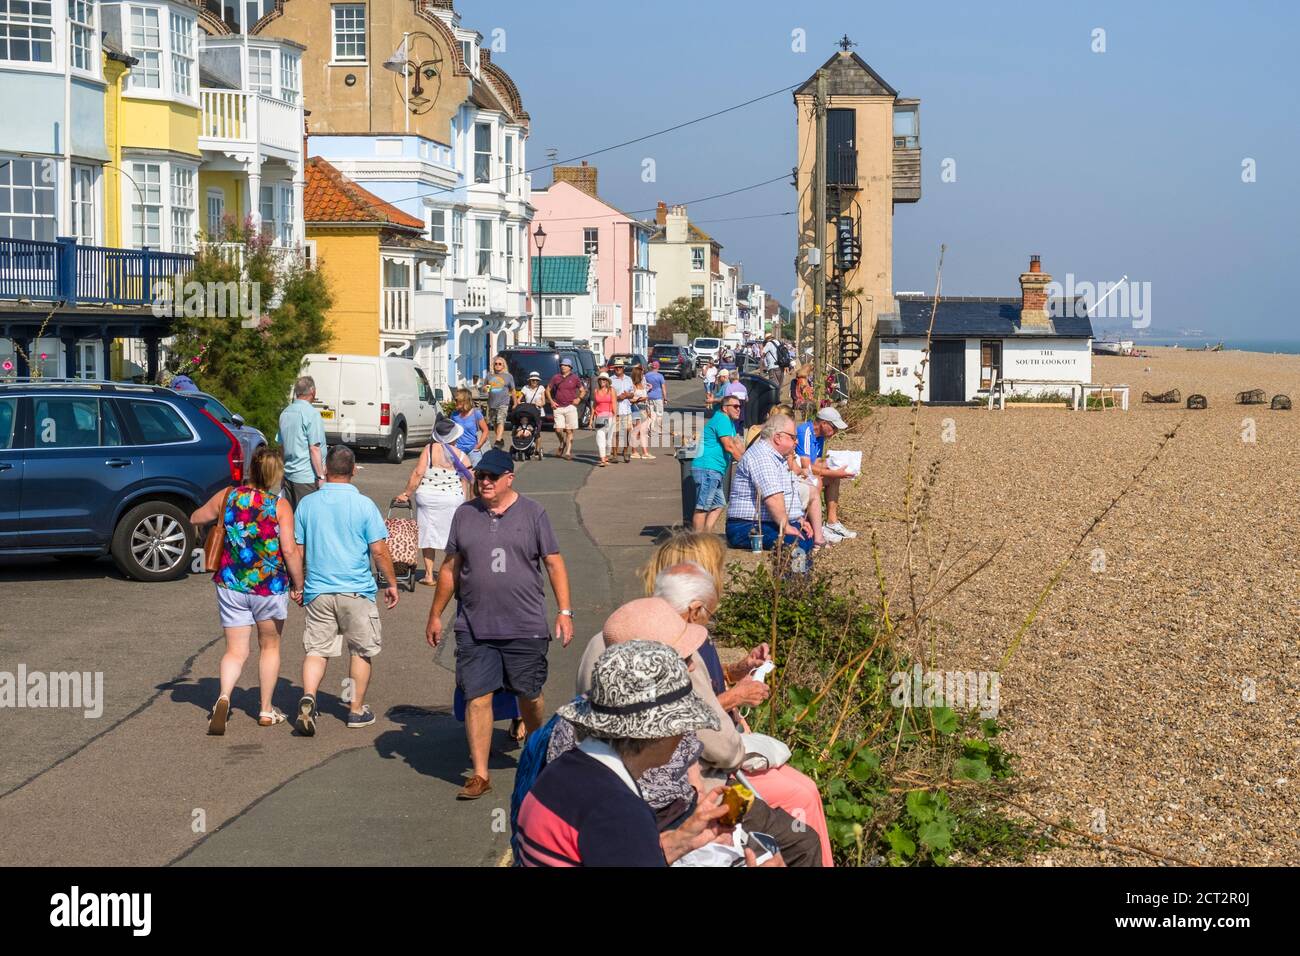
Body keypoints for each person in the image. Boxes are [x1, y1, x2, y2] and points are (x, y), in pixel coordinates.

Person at [517, 640, 770, 867]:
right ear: (658, 734)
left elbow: (611, 852)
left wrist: (680, 841)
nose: (686, 739)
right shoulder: (618, 809)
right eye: (683, 727)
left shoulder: (563, 770)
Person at [425, 449, 574, 800]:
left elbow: (553, 564)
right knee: (477, 696)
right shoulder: (464, 514)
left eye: (493, 477)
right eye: (481, 476)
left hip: (525, 625)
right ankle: (479, 774)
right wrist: (435, 614)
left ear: (510, 478)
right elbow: (449, 568)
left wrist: (564, 612)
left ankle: (541, 756)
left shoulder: (534, 513)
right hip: (474, 625)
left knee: (529, 695)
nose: (485, 482)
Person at [191, 446, 305, 733]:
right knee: (270, 647)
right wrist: (299, 584)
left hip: (231, 582)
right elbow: (290, 550)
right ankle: (266, 710)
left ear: (250, 470)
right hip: (269, 586)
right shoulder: (279, 506)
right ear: (275, 475)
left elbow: (196, 517)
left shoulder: (228, 496)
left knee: (235, 650)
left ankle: (224, 697)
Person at [293, 445, 399, 735]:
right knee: (360, 651)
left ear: (325, 469)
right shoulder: (364, 505)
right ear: (353, 470)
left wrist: (298, 584)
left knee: (317, 650)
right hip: (356, 590)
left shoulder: (308, 505)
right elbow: (378, 551)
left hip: (318, 590)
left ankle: (309, 696)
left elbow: (298, 549)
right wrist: (390, 583)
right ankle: (354, 710)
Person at [395, 417, 475, 585]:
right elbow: (469, 478)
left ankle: (429, 575)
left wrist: (406, 493)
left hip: (428, 497)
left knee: (428, 534)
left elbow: (418, 473)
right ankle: (451, 573)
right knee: (453, 536)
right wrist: (468, 501)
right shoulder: (461, 455)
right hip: (452, 499)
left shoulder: (429, 449)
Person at [725, 413, 813, 554]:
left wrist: (798, 519)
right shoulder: (762, 456)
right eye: (793, 437)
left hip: (763, 522)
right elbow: (773, 497)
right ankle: (793, 576)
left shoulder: (777, 457)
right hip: (745, 526)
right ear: (778, 437)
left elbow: (787, 494)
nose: (797, 442)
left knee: (806, 536)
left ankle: (797, 575)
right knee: (796, 542)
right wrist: (786, 526)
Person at [796, 406, 857, 541]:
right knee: (818, 481)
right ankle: (815, 526)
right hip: (796, 476)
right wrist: (834, 472)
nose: (835, 432)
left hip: (806, 473)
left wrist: (837, 466)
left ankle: (832, 522)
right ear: (823, 424)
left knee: (833, 479)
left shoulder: (820, 437)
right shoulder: (804, 432)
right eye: (833, 427)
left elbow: (817, 462)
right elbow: (806, 467)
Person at [691, 394, 744, 532]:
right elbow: (729, 447)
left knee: (718, 504)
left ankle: (706, 534)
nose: (739, 409)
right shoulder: (722, 420)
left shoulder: (729, 423)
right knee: (702, 507)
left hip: (715, 470)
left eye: (740, 406)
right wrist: (745, 465)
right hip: (707, 468)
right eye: (735, 406)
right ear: (725, 408)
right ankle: (697, 542)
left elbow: (737, 445)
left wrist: (746, 454)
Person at [277, 375, 326, 509]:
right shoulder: (312, 414)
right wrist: (321, 476)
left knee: (290, 517)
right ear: (313, 392)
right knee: (306, 518)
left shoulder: (284, 413)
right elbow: (314, 448)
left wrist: (282, 473)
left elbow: (281, 447)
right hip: (306, 478)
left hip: (288, 475)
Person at [547, 357, 585, 461]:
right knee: (558, 429)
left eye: (565, 365)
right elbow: (548, 389)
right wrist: (551, 401)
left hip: (570, 406)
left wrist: (579, 399)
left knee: (569, 430)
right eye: (561, 365)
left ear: (570, 367)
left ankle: (568, 452)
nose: (562, 367)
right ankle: (562, 442)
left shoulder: (575, 378)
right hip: (558, 406)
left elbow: (582, 390)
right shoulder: (556, 377)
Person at [484, 355, 516, 449]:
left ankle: (497, 441)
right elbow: (485, 387)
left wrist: (515, 403)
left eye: (499, 364)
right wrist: (486, 388)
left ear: (503, 365)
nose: (497, 365)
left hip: (503, 403)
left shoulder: (508, 376)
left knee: (500, 421)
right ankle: (500, 438)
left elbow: (513, 390)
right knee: (494, 423)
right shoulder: (489, 375)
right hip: (492, 403)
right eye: (496, 364)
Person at [451, 387, 488, 466]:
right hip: (458, 449)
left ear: (464, 401)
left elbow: (485, 430)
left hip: (473, 449)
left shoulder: (476, 413)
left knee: (477, 473)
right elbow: (451, 431)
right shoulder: (454, 415)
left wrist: (478, 446)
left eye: (457, 400)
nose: (455, 402)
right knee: (458, 474)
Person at [608, 362, 634, 464]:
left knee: (628, 432)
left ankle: (625, 451)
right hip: (616, 410)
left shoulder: (628, 379)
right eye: (616, 367)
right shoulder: (611, 380)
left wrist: (628, 395)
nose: (618, 369)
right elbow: (608, 395)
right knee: (616, 433)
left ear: (623, 368)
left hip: (627, 409)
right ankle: (614, 454)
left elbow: (632, 394)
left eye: (620, 367)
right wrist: (617, 397)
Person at [628, 365, 654, 460]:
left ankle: (645, 452)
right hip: (636, 409)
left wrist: (648, 411)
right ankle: (634, 451)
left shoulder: (642, 385)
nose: (643, 376)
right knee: (636, 431)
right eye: (642, 374)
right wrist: (639, 399)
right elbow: (629, 400)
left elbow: (646, 399)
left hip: (644, 409)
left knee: (644, 431)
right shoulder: (633, 386)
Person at [591, 371, 616, 467]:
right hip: (599, 417)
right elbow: (594, 405)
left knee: (609, 440)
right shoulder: (596, 391)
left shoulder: (611, 390)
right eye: (601, 379)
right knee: (600, 437)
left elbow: (614, 403)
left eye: (604, 379)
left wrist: (615, 416)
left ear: (607, 381)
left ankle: (606, 455)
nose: (602, 381)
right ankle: (602, 459)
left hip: (609, 417)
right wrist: (591, 419)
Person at [645, 360, 668, 445]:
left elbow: (644, 385)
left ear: (652, 367)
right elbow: (663, 388)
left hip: (648, 396)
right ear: (658, 367)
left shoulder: (646, 375)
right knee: (659, 414)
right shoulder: (660, 376)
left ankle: (649, 430)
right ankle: (658, 430)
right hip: (658, 397)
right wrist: (665, 398)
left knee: (650, 414)